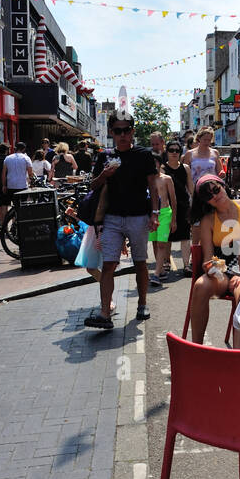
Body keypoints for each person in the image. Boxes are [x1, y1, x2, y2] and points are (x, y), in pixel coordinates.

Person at [85, 111, 160, 329]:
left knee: (139, 263)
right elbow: (93, 186)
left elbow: (153, 186)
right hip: (112, 218)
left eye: (127, 130)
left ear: (133, 131)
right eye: (118, 131)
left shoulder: (144, 154)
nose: (123, 135)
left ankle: (142, 303)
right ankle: (105, 313)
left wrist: (155, 214)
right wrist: (104, 175)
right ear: (111, 132)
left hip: (138, 217)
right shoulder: (104, 156)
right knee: (108, 265)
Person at [187, 174, 240, 344]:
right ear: (206, 202)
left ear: (222, 185)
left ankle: (239, 354)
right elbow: (208, 259)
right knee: (200, 286)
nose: (215, 196)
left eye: (216, 189)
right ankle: (196, 346)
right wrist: (215, 270)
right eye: (208, 196)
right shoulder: (208, 220)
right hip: (224, 272)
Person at [161, 140, 192, 272]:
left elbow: (190, 187)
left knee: (185, 236)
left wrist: (196, 203)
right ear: (167, 152)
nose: (174, 153)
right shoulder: (163, 168)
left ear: (180, 153)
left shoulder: (185, 168)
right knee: (168, 236)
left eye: (177, 150)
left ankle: (186, 265)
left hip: (183, 205)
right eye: (171, 150)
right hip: (167, 207)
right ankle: (166, 261)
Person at [147, 158, 177, 286]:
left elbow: (173, 199)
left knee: (161, 244)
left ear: (160, 164)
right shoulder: (148, 179)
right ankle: (161, 270)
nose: (154, 165)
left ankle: (156, 274)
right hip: (152, 214)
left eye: (156, 162)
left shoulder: (166, 179)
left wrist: (174, 219)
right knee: (154, 243)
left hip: (165, 214)